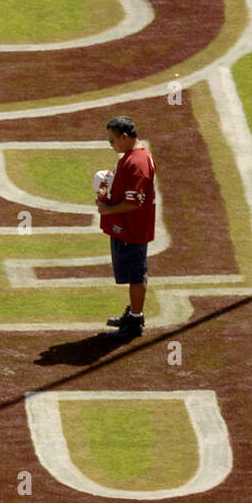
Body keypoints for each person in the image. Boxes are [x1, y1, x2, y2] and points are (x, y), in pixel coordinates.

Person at [97, 114, 157, 337]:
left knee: (136, 275)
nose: (111, 144)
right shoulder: (132, 156)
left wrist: (108, 209)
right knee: (136, 273)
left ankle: (134, 321)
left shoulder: (137, 161)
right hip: (131, 227)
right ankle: (134, 313)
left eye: (112, 140)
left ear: (124, 136)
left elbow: (134, 201)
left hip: (132, 228)